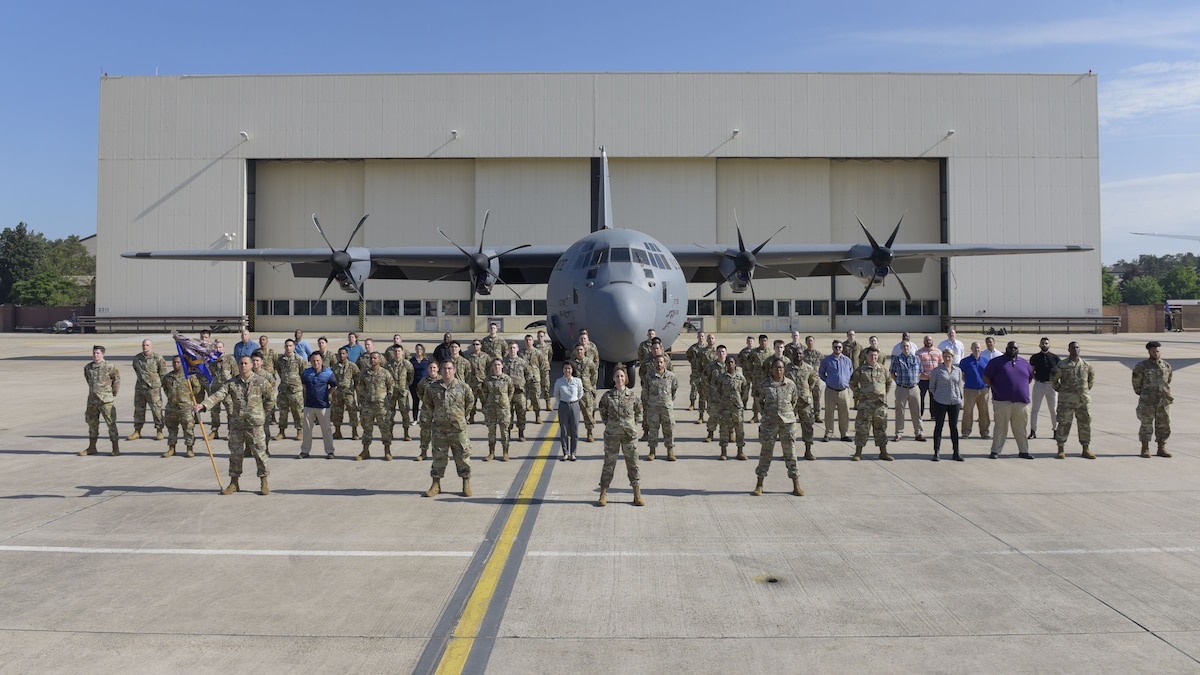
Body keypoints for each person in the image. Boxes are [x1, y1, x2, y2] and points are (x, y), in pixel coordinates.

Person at [194, 355, 272, 495]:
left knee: (260, 454)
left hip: (254, 425)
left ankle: (264, 482)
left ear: (251, 365)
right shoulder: (231, 383)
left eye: (246, 363)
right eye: (241, 363)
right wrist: (203, 405)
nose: (243, 366)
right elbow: (218, 395)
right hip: (237, 425)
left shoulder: (261, 381)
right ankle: (234, 483)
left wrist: (262, 414)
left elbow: (270, 399)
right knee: (235, 454)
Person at [752, 358, 804, 497]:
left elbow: (794, 401)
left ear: (784, 370)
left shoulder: (790, 384)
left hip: (787, 424)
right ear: (772, 369)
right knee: (765, 453)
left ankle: (796, 484)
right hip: (769, 424)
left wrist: (787, 414)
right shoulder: (765, 384)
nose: (778, 370)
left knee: (791, 454)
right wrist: (767, 415)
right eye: (776, 367)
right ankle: (759, 484)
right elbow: (759, 402)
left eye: (780, 368)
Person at [423, 360, 476, 498]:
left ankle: (466, 483)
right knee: (438, 456)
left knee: (463, 456)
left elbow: (470, 402)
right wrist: (436, 417)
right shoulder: (432, 387)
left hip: (458, 428)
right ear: (440, 371)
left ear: (454, 370)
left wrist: (461, 416)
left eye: (449, 368)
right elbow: (428, 404)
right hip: (439, 429)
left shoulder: (463, 387)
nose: (447, 371)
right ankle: (436, 484)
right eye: (444, 369)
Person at [597, 365, 644, 506]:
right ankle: (603, 493)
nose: (620, 379)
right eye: (617, 376)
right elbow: (603, 412)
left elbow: (639, 411)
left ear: (626, 378)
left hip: (629, 436)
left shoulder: (633, 396)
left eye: (622, 376)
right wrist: (611, 425)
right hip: (612, 436)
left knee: (633, 464)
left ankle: (637, 494)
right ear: (613, 378)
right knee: (609, 465)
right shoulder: (607, 396)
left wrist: (632, 425)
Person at [983, 341, 1035, 459]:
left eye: (1015, 348)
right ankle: (995, 451)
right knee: (1000, 426)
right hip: (1002, 401)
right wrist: (997, 387)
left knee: (1020, 428)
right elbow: (986, 377)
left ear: (1018, 350)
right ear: (1006, 349)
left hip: (1021, 402)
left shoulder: (1024, 363)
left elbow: (1029, 378)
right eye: (1010, 348)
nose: (1012, 350)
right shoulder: (996, 362)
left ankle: (1023, 451)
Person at [1051, 341, 1095, 460]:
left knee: (1085, 424)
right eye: (1073, 348)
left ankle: (1085, 449)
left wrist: (1084, 391)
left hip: (1083, 400)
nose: (1075, 349)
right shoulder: (1062, 365)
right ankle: (1061, 449)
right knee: (1064, 424)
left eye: (1077, 347)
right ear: (1069, 350)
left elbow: (1091, 380)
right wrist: (1062, 391)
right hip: (1066, 401)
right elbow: (1053, 380)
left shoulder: (1086, 365)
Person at [849, 347, 894, 461]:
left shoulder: (883, 369)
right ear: (866, 356)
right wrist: (859, 394)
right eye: (871, 355)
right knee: (862, 428)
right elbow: (852, 383)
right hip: (865, 405)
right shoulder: (861, 370)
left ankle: (883, 452)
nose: (873, 357)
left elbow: (889, 382)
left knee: (881, 429)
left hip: (880, 405)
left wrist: (883, 394)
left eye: (875, 355)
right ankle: (858, 453)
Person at [1132, 341, 1173, 458]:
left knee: (1164, 424)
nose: (1156, 353)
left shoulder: (1166, 366)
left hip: (1163, 401)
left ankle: (1161, 448)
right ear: (1149, 352)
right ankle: (1145, 448)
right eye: (1154, 351)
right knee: (1146, 424)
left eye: (1158, 351)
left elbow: (1168, 380)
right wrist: (1145, 394)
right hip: (1147, 401)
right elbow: (1136, 384)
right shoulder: (1142, 366)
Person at [81, 345, 121, 456]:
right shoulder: (88, 367)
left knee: (111, 423)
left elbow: (116, 381)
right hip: (92, 400)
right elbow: (88, 380)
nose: (95, 355)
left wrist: (112, 394)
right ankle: (92, 447)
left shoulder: (110, 366)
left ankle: (115, 448)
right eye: (94, 353)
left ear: (103, 354)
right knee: (92, 423)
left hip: (106, 400)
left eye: (98, 353)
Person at [161, 355, 203, 458]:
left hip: (185, 407)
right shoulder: (168, 377)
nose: (176, 364)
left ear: (182, 363)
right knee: (171, 428)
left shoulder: (189, 376)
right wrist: (171, 397)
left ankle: (189, 449)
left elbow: (197, 388)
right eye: (174, 362)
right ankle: (171, 448)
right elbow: (165, 388)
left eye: (178, 362)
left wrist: (188, 396)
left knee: (188, 429)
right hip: (171, 407)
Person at [298, 351, 337, 459]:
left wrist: (325, 394)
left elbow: (334, 386)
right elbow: (304, 385)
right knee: (307, 430)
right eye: (313, 361)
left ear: (322, 361)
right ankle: (305, 451)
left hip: (323, 406)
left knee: (326, 430)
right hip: (309, 406)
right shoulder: (306, 373)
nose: (316, 363)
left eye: (318, 361)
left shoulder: (328, 373)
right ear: (310, 361)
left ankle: (330, 451)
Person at [356, 351, 395, 460]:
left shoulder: (385, 373)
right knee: (367, 429)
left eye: (374, 358)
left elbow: (391, 386)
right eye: (371, 358)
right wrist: (362, 402)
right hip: (368, 406)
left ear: (379, 360)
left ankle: (387, 451)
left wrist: (387, 400)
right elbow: (361, 388)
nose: (372, 360)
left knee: (385, 429)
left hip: (381, 406)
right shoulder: (365, 373)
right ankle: (365, 451)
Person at [928, 349, 964, 461]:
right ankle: (936, 452)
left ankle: (956, 452)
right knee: (939, 426)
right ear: (942, 357)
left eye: (949, 356)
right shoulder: (937, 370)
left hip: (954, 401)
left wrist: (959, 398)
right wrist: (937, 396)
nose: (947, 358)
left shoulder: (957, 370)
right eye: (945, 356)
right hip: (941, 401)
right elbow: (932, 387)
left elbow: (958, 385)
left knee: (954, 427)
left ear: (953, 357)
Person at [129, 338, 168, 441]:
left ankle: (159, 430)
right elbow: (136, 370)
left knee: (156, 410)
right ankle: (137, 431)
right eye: (143, 345)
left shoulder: (158, 358)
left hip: (153, 389)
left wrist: (164, 386)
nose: (145, 347)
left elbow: (163, 373)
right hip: (140, 388)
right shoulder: (137, 358)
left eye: (147, 345)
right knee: (138, 410)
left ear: (151, 346)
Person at [642, 354, 679, 461]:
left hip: (666, 408)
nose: (659, 364)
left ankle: (670, 451)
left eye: (661, 362)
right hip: (653, 408)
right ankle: (652, 451)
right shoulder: (648, 377)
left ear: (665, 364)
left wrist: (668, 401)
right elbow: (645, 392)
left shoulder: (671, 376)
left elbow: (674, 390)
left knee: (669, 429)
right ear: (654, 363)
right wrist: (651, 402)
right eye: (657, 362)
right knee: (653, 430)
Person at [786, 348, 819, 461]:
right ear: (792, 355)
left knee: (808, 427)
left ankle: (808, 451)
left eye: (800, 353)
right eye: (796, 354)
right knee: (789, 428)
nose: (798, 355)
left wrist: (806, 392)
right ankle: (789, 452)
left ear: (803, 355)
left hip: (805, 403)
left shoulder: (809, 368)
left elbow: (812, 381)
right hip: (791, 403)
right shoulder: (787, 368)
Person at [712, 355, 747, 460]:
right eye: (728, 362)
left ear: (735, 364)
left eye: (732, 362)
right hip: (725, 408)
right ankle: (723, 452)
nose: (730, 364)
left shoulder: (740, 377)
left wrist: (739, 401)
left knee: (739, 430)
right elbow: (717, 391)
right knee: (724, 430)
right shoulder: (721, 378)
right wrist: (723, 401)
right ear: (726, 364)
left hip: (737, 408)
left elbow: (744, 391)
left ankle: (740, 452)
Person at [889, 339, 925, 442]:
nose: (906, 348)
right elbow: (892, 373)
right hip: (901, 388)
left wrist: (914, 380)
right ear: (901, 348)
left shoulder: (916, 359)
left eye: (907, 346)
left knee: (916, 411)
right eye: (904, 346)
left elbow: (920, 372)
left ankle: (919, 433)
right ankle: (899, 433)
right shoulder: (897, 359)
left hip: (914, 388)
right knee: (900, 411)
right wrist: (898, 382)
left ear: (910, 347)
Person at [818, 340, 852, 442]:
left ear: (842, 348)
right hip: (830, 391)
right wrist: (828, 380)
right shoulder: (827, 360)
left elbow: (851, 372)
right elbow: (821, 373)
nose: (837, 349)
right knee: (829, 413)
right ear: (832, 348)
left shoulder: (847, 360)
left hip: (844, 391)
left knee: (845, 413)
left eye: (839, 347)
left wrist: (845, 381)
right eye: (835, 347)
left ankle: (844, 434)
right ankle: (828, 433)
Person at [481, 358, 514, 461]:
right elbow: (484, 392)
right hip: (491, 408)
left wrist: (505, 401)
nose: (497, 367)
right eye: (495, 365)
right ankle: (491, 453)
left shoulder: (507, 379)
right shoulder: (488, 379)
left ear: (502, 366)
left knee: (504, 431)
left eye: (499, 364)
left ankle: (505, 452)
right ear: (492, 367)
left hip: (503, 408)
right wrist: (488, 402)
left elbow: (511, 391)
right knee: (491, 431)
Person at [504, 342, 537, 441]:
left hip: (519, 392)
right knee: (507, 414)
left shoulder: (523, 362)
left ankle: (521, 433)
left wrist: (525, 384)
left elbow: (529, 375)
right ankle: (507, 433)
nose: (512, 350)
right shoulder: (503, 362)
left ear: (517, 349)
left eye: (514, 348)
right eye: (510, 348)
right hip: (507, 393)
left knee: (521, 412)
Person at [1028, 337, 1060, 440]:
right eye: (1042, 343)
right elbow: (1031, 371)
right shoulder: (1035, 357)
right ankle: (1033, 431)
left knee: (1053, 409)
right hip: (1039, 384)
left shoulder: (1055, 358)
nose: (1044, 345)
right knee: (1035, 409)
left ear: (1049, 345)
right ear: (1039, 345)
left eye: (1046, 343)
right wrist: (1036, 379)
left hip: (1051, 385)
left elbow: (1059, 371)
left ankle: (1055, 430)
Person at [275, 339, 306, 441]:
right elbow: (279, 371)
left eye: (290, 346)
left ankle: (299, 431)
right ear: (284, 347)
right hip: (284, 390)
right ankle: (281, 432)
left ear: (294, 347)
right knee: (283, 412)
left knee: (297, 412)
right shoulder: (280, 360)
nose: (288, 348)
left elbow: (303, 373)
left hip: (295, 391)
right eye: (287, 346)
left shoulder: (299, 359)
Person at [959, 342, 991, 439]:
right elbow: (961, 374)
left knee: (984, 411)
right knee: (968, 411)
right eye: (975, 348)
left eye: (978, 348)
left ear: (981, 349)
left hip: (984, 389)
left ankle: (985, 432)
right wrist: (968, 381)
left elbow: (989, 374)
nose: (977, 350)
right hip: (970, 389)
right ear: (971, 349)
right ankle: (966, 431)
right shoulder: (965, 361)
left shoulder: (986, 361)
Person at [553, 361, 584, 461]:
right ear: (563, 370)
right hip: (563, 406)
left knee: (574, 430)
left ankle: (573, 453)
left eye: (569, 368)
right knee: (564, 430)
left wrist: (574, 401)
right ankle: (565, 453)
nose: (567, 370)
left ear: (572, 370)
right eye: (565, 368)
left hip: (574, 405)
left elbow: (580, 393)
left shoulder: (577, 381)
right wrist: (563, 401)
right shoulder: (559, 382)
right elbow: (556, 394)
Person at [205, 341, 236, 440]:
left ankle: (231, 431)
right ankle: (214, 431)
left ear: (223, 348)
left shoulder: (230, 359)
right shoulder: (211, 360)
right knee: (214, 411)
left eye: (220, 347)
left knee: (230, 411)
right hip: (215, 389)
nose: (218, 349)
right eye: (216, 348)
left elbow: (235, 374)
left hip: (228, 390)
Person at [567, 344, 597, 442]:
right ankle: (570, 432)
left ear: (584, 351)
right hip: (574, 391)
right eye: (577, 350)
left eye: (581, 349)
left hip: (586, 390)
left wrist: (591, 385)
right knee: (571, 413)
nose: (579, 351)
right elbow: (566, 374)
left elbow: (594, 373)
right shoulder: (571, 363)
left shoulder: (589, 362)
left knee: (588, 413)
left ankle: (589, 432)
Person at [385, 348, 415, 441]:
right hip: (391, 392)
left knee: (405, 413)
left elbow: (411, 375)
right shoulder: (388, 364)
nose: (397, 353)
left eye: (399, 351)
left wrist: (406, 385)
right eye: (395, 351)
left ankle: (406, 433)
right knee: (390, 414)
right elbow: (386, 376)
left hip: (403, 392)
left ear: (402, 352)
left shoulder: (407, 364)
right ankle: (390, 433)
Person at [330, 347, 360, 440]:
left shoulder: (352, 366)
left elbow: (357, 378)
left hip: (348, 393)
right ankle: (337, 431)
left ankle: (354, 432)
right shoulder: (334, 367)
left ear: (347, 354)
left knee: (352, 411)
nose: (341, 355)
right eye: (340, 354)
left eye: (343, 353)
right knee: (337, 412)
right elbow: (331, 379)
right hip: (337, 393)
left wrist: (356, 389)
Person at [414, 362, 440, 461]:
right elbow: (419, 392)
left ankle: (440, 454)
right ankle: (423, 453)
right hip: (426, 410)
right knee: (425, 432)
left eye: (434, 367)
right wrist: (426, 401)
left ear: (438, 369)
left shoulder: (442, 380)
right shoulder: (423, 381)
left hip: (439, 409)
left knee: (440, 432)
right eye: (430, 367)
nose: (432, 369)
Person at [915, 335, 940, 419]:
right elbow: (916, 366)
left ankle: (934, 415)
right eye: (926, 340)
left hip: (935, 379)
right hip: (922, 379)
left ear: (932, 341)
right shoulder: (919, 353)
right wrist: (924, 374)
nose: (928, 341)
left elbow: (941, 365)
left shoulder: (938, 352)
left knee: (934, 398)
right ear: (924, 341)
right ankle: (919, 415)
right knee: (920, 397)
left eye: (929, 340)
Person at [801, 335, 823, 419]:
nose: (810, 342)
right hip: (806, 380)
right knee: (806, 398)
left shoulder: (819, 354)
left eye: (811, 341)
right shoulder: (802, 354)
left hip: (816, 379)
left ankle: (817, 415)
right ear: (806, 342)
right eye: (808, 341)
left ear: (814, 342)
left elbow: (824, 365)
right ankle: (807, 415)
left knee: (817, 397)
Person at [686, 331, 708, 413]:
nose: (701, 338)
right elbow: (688, 355)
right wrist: (693, 362)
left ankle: (705, 404)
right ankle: (692, 404)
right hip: (696, 371)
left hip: (705, 371)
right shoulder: (693, 348)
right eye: (699, 336)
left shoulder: (707, 347)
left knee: (705, 388)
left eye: (702, 336)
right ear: (697, 337)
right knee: (694, 387)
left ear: (704, 337)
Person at [409, 344, 430, 420]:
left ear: (423, 350)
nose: (418, 351)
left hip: (425, 384)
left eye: (420, 349)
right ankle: (415, 419)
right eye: (417, 349)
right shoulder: (412, 361)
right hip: (414, 384)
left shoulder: (427, 361)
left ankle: (427, 418)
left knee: (426, 402)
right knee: (415, 401)